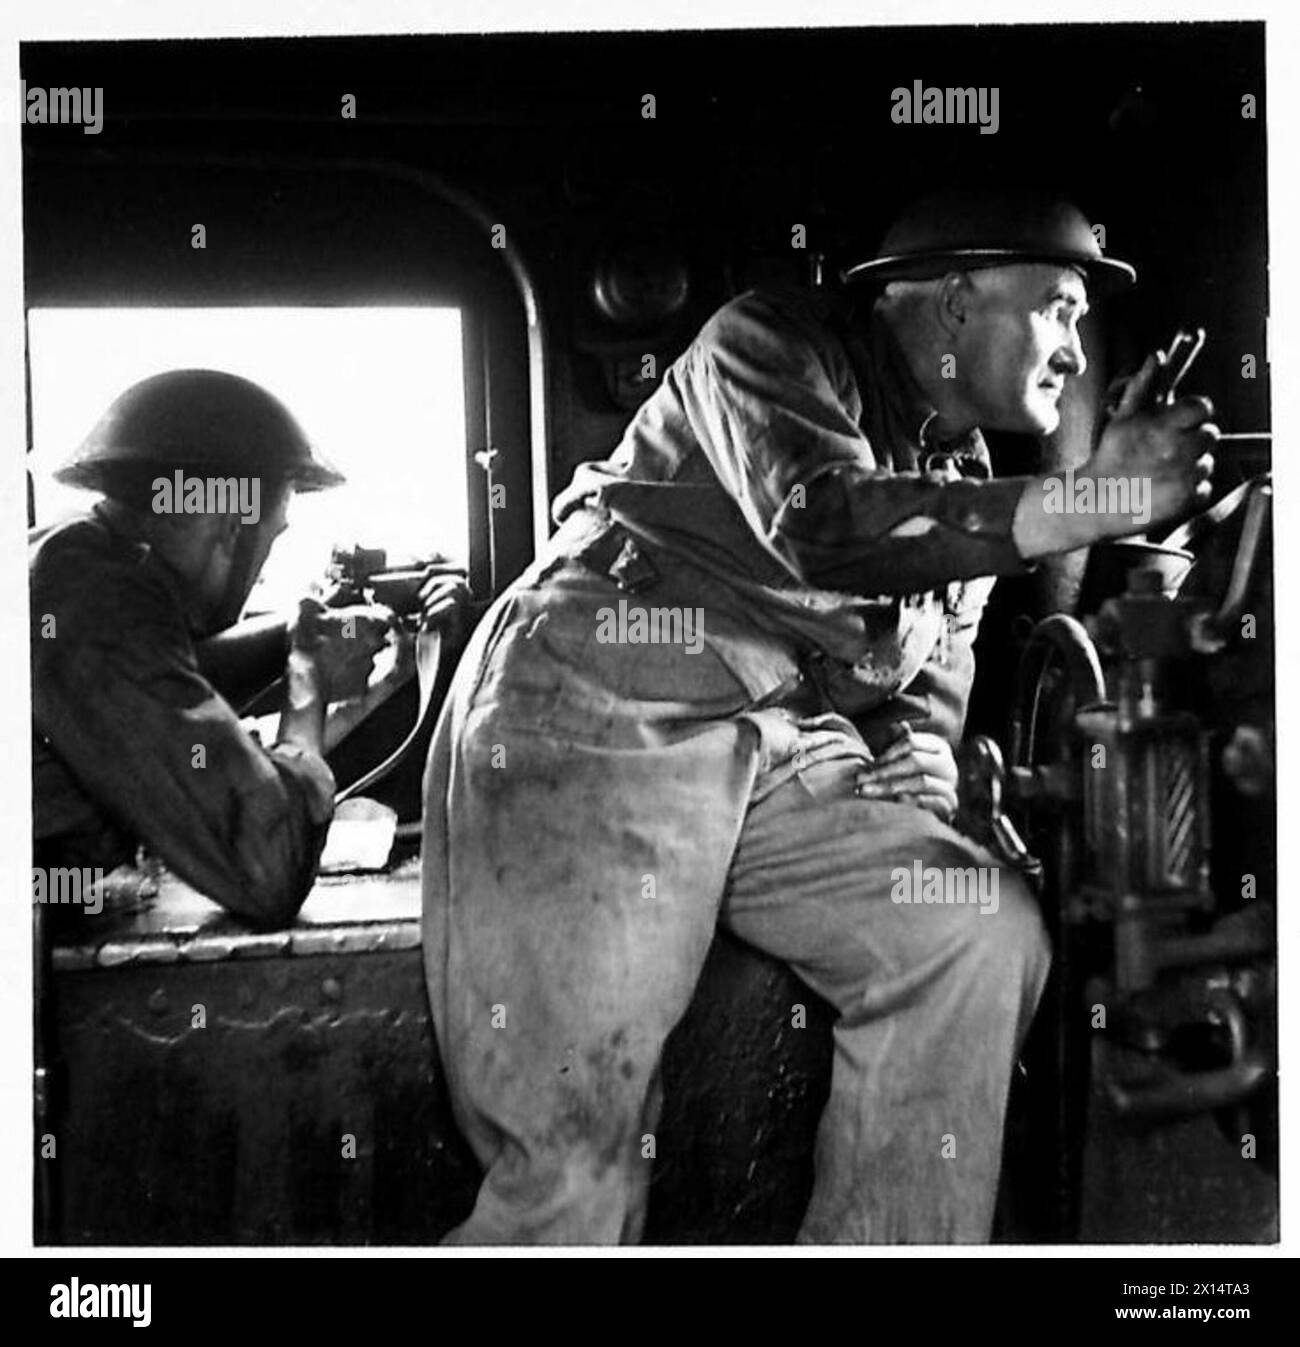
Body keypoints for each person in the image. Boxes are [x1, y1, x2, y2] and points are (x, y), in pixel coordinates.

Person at [420, 189, 1219, 1243]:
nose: (1074, 351)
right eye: (1058, 308)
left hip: (777, 734)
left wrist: (925, 761)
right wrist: (1096, 501)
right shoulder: (768, 343)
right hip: (596, 697)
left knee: (971, 932)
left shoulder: (967, 477)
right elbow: (823, 522)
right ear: (955, 300)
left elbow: (914, 694)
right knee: (571, 1156)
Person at [31, 368, 466, 928]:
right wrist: (307, 684)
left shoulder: (69, 566)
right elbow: (266, 871)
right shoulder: (97, 601)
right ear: (231, 530)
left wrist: (368, 674)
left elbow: (189, 733)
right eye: (273, 535)